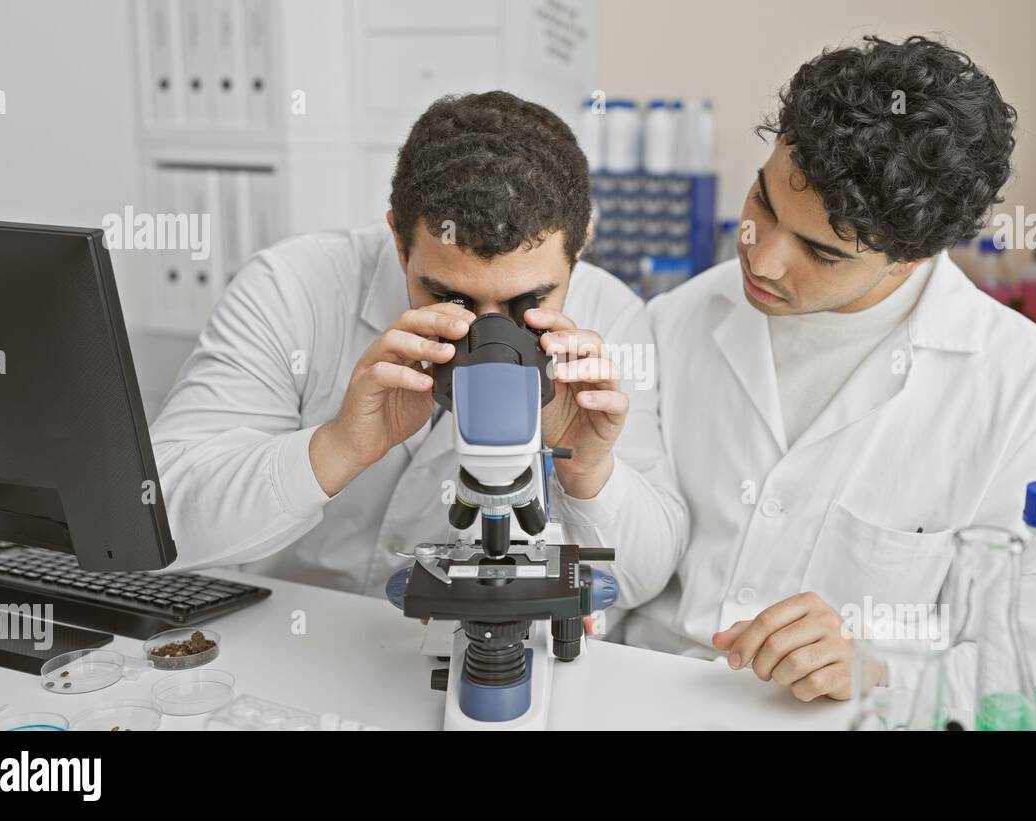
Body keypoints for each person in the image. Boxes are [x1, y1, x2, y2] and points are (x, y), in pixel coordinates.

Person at [623, 36, 1036, 701]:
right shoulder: (677, 319)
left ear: (912, 257)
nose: (762, 258)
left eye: (821, 251)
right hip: (638, 697)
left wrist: (878, 666)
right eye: (763, 203)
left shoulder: (1023, 391)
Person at [150, 91, 686, 608]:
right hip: (304, 635)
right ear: (398, 239)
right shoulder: (291, 286)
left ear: (582, 242)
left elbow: (644, 578)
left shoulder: (611, 314)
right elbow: (156, 519)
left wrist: (589, 472)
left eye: (530, 300)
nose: (483, 331)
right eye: (450, 296)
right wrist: (337, 448)